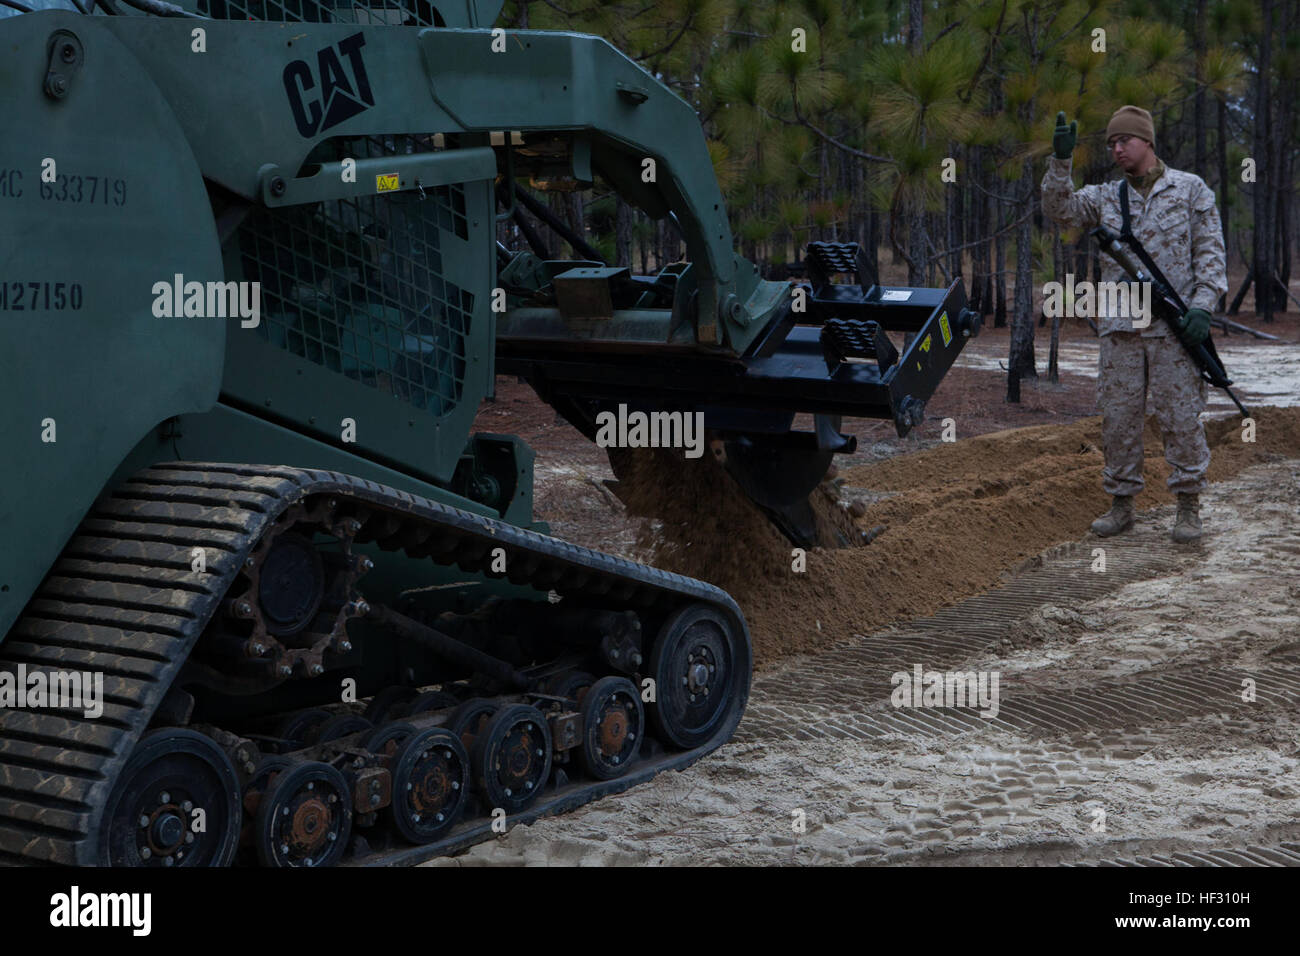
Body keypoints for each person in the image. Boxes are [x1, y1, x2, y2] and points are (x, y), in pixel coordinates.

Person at [1041, 105, 1227, 543]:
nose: (1117, 148)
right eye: (1111, 143)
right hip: (1121, 328)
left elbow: (1211, 253)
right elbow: (1059, 209)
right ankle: (1122, 506)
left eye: (1124, 140)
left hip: (1174, 328)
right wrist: (1060, 162)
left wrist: (1203, 306)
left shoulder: (1189, 190)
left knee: (1180, 417)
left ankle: (1188, 506)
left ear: (1147, 141)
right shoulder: (1105, 196)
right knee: (1119, 420)